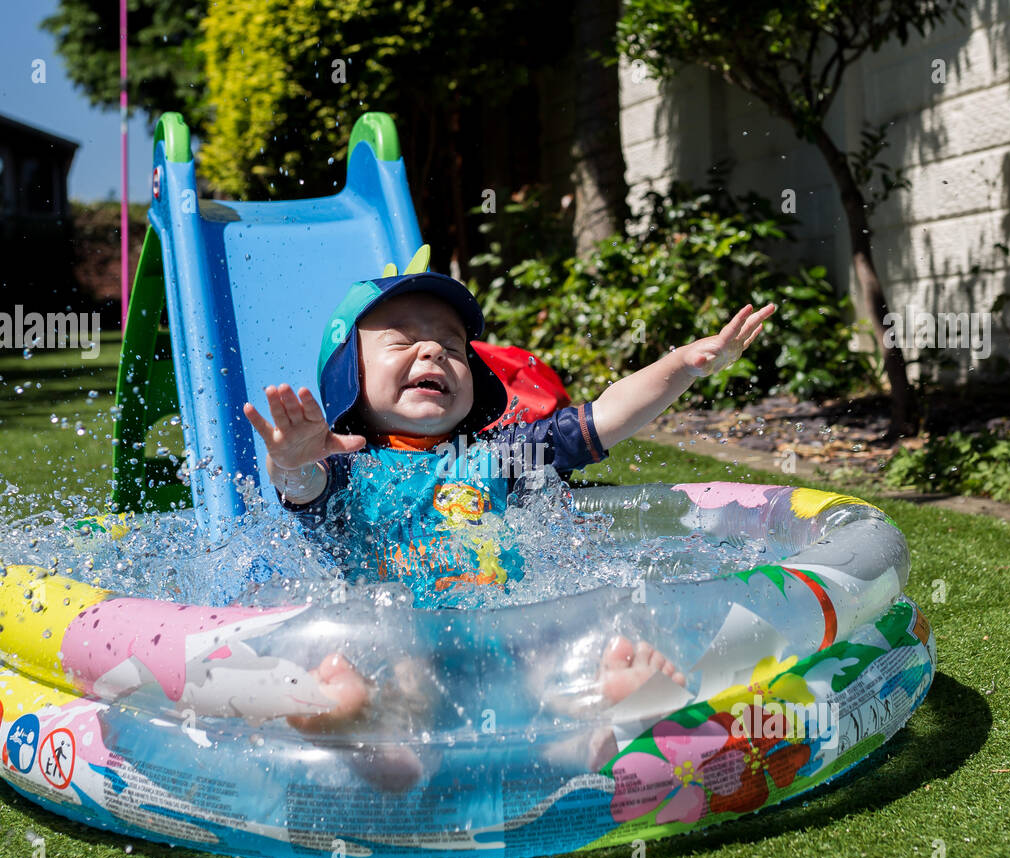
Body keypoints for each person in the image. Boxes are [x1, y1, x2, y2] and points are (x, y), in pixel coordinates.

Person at [242, 249, 775, 787]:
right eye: (402, 342)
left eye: (452, 347)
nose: (433, 351)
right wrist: (292, 458)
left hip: (514, 630)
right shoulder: (344, 470)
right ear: (348, 378)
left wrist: (679, 365)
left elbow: (605, 419)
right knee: (405, 677)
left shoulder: (503, 457)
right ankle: (375, 735)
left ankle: (598, 727)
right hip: (409, 640)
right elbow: (300, 488)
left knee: (571, 644)